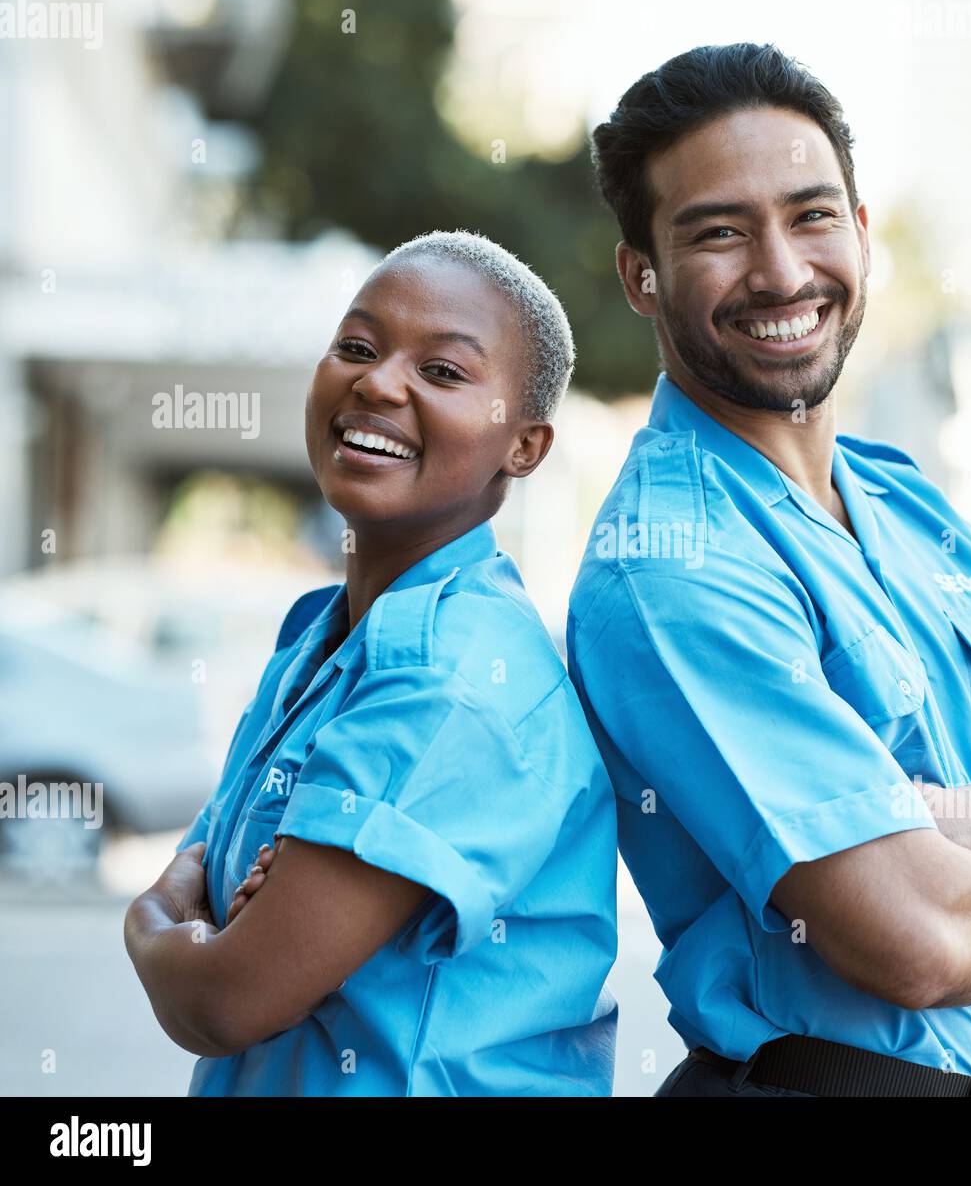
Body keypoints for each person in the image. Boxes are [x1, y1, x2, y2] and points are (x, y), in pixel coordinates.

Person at [567, 43, 971, 1098]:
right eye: (719, 233)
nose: (780, 271)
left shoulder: (909, 507)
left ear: (860, 235)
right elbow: (921, 942)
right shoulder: (669, 568)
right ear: (643, 277)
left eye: (811, 215)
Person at [125, 230, 618, 1096]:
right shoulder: (325, 639)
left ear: (525, 447)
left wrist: (150, 919)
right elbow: (219, 881)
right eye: (357, 346)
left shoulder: (455, 680)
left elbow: (224, 997)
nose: (379, 382)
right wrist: (213, 915)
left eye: (444, 372)